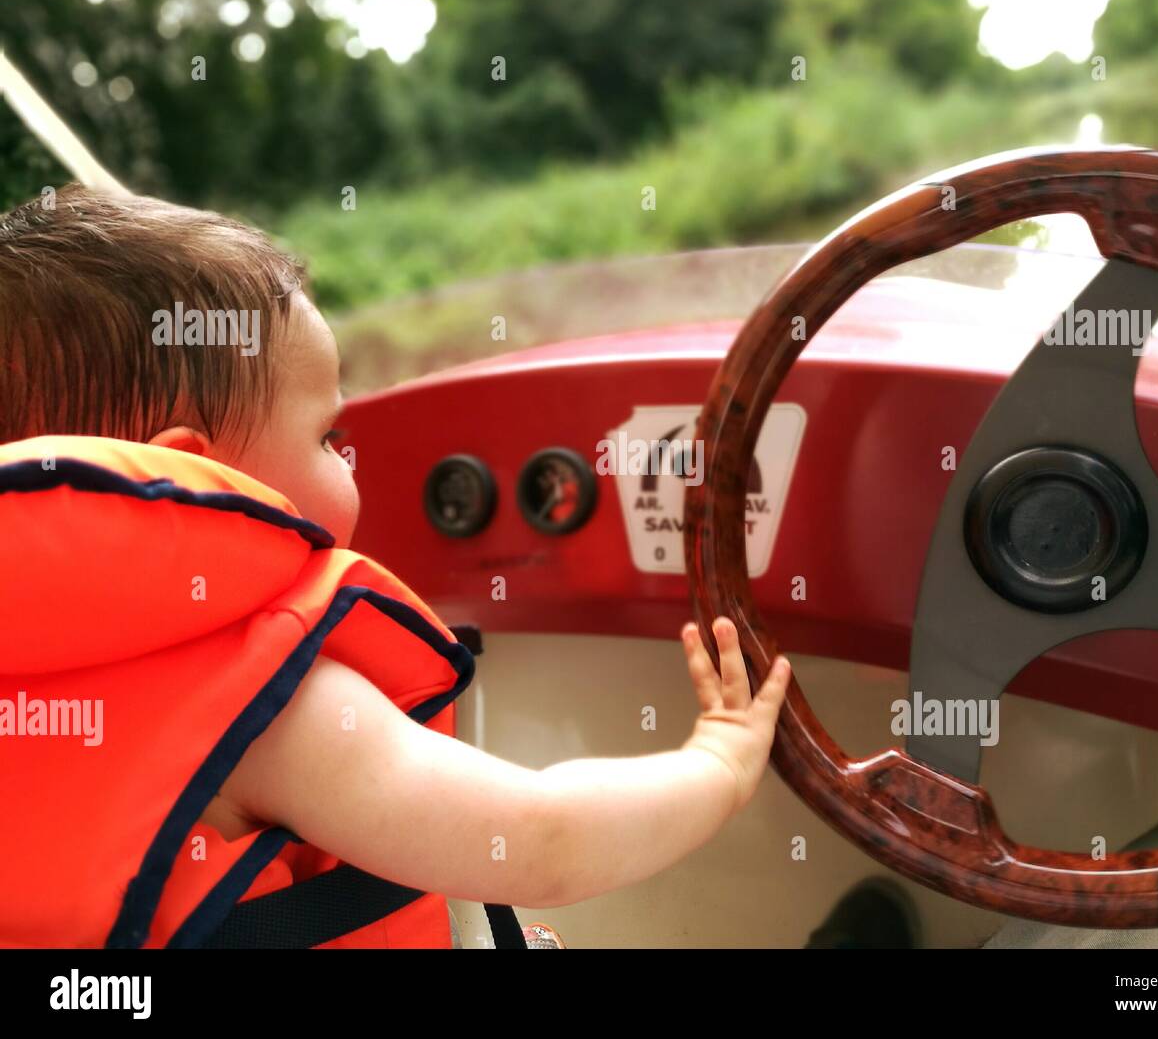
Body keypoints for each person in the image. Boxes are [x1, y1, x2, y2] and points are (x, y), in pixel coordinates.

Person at [0, 183, 790, 948]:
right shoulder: (275, 708)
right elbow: (542, 838)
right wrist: (716, 763)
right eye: (328, 440)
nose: (353, 465)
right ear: (189, 483)